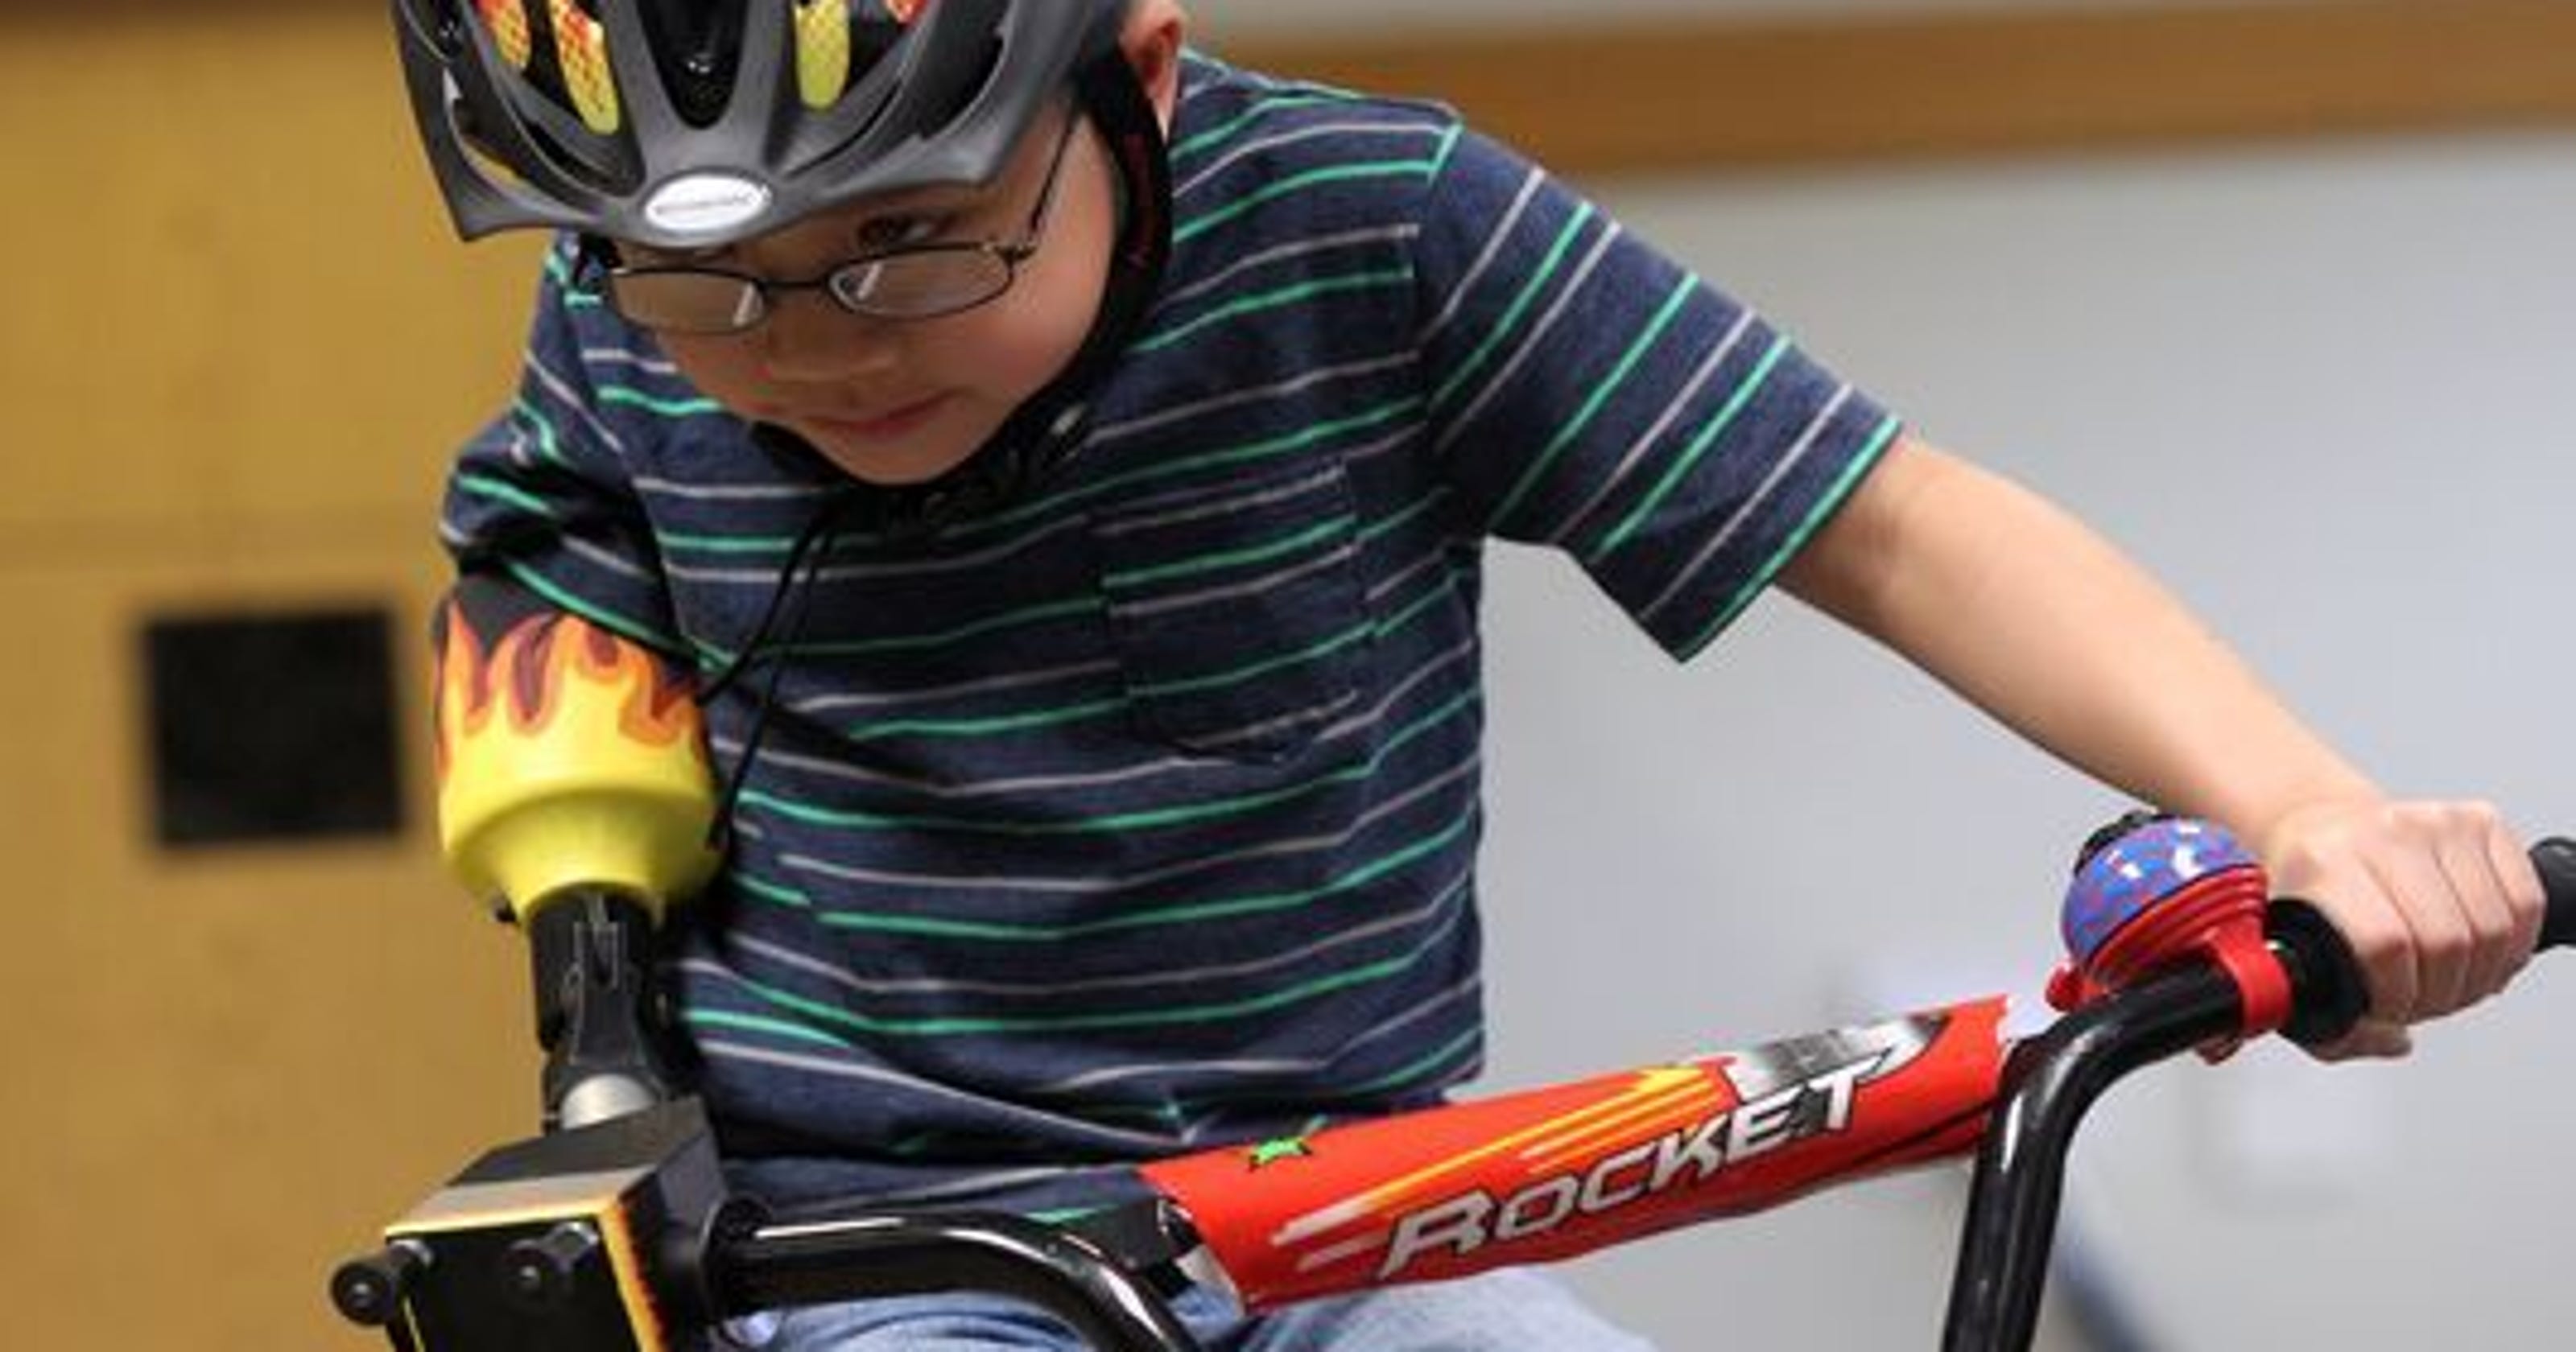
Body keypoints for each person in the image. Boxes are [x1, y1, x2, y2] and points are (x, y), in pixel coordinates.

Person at [394, 1, 2543, 1347]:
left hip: (1367, 1229)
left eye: (911, 246)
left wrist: (2310, 811)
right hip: (888, 1267)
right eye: (713, 291)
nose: (816, 344)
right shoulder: (614, 328)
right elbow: (539, 597)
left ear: (1127, 71)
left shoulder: (1377, 229)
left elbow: (1893, 524)